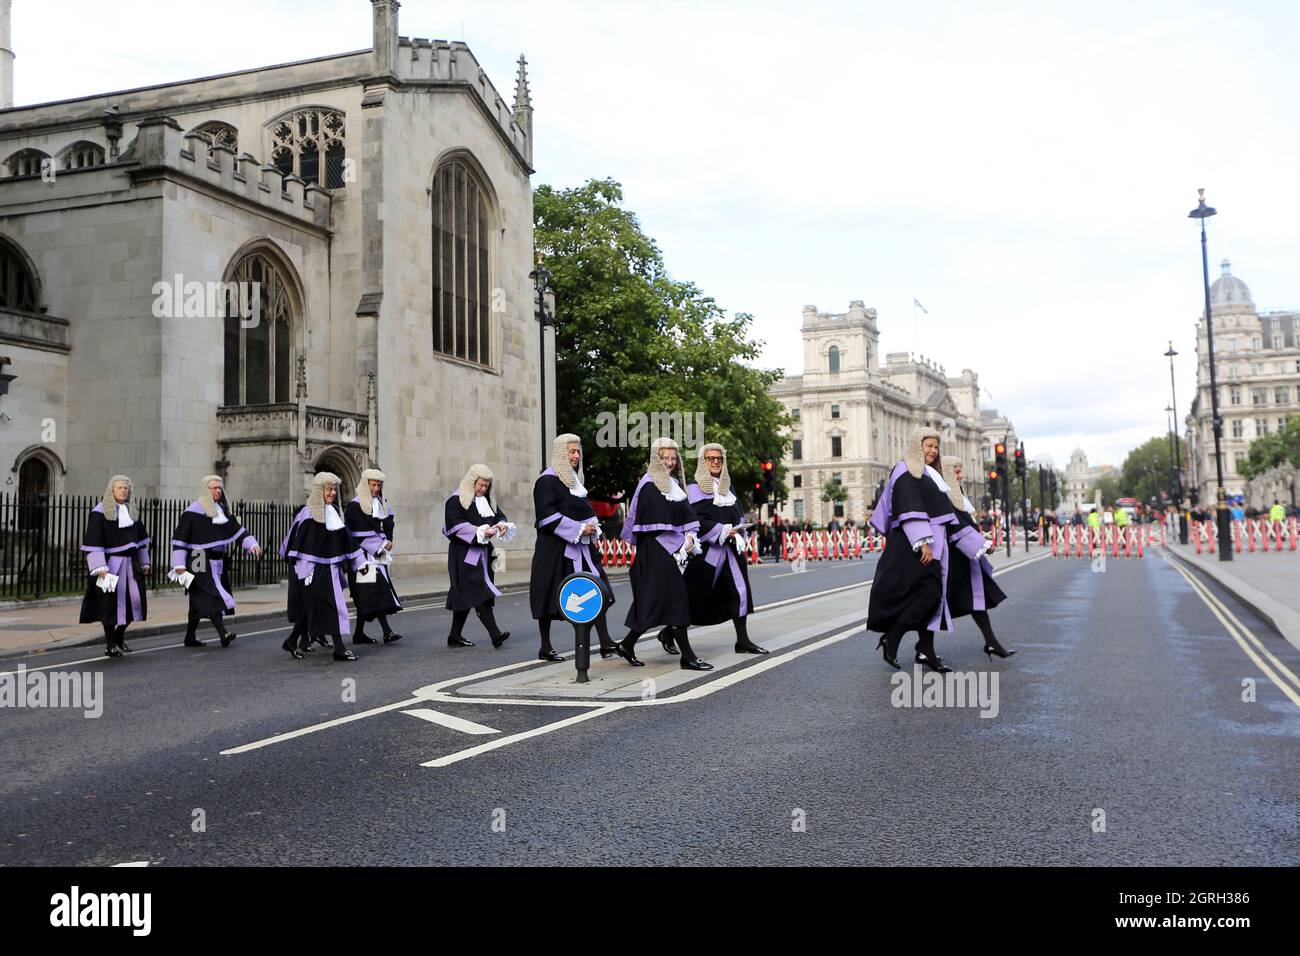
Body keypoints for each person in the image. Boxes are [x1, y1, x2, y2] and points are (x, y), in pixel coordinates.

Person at [613, 437, 709, 670]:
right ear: (655, 458)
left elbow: (687, 516)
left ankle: (627, 644)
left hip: (671, 551)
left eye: (673, 458)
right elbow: (653, 527)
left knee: (652, 600)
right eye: (664, 458)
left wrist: (690, 536)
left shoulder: (674, 483)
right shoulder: (649, 484)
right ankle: (687, 656)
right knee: (676, 599)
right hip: (655, 552)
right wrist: (680, 542)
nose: (669, 462)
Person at [867, 429, 958, 673]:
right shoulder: (906, 469)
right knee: (928, 595)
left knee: (930, 596)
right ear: (916, 446)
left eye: (936, 447)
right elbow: (908, 505)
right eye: (928, 445)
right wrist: (922, 541)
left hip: (932, 544)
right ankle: (892, 638)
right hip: (915, 546)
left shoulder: (928, 473)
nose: (933, 451)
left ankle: (926, 650)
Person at [530, 434, 617, 663]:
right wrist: (578, 529)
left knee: (595, 590)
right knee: (549, 594)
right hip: (554, 550)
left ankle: (606, 641)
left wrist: (592, 527)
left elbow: (585, 511)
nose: (576, 456)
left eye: (578, 451)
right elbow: (546, 516)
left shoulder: (576, 483)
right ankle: (545, 646)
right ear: (561, 453)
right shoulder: (546, 481)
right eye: (571, 452)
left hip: (583, 548)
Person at [682, 443, 768, 655]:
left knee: (738, 592)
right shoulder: (694, 488)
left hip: (730, 551)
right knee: (695, 595)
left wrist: (739, 528)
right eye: (710, 458)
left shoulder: (728, 487)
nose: (716, 462)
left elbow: (737, 514)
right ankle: (670, 630)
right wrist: (721, 530)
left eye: (719, 458)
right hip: (706, 554)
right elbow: (694, 520)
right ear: (703, 462)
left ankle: (742, 640)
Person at [170, 474, 262, 648]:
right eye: (214, 488)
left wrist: (252, 545)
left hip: (217, 561)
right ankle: (223, 633)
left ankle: (190, 636)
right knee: (210, 595)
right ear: (206, 490)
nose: (218, 490)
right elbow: (179, 541)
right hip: (198, 558)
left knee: (198, 599)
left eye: (220, 488)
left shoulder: (223, 511)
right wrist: (179, 565)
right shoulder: (192, 512)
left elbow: (239, 531)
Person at [285, 472, 365, 662]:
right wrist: (306, 572)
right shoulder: (307, 514)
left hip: (331, 569)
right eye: (329, 489)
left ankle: (291, 640)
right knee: (333, 607)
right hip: (315, 571)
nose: (332, 493)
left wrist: (360, 562)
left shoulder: (334, 512)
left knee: (312, 609)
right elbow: (302, 546)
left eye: (334, 489)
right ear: (319, 490)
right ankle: (339, 648)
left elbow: (346, 540)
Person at [940, 457, 1015, 660]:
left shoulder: (957, 494)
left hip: (967, 556)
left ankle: (991, 642)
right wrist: (981, 544)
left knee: (976, 600)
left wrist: (981, 540)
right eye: (956, 472)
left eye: (960, 471)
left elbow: (968, 524)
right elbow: (956, 526)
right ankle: (895, 639)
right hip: (954, 557)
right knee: (935, 603)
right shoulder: (944, 496)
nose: (960, 476)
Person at [443, 464, 515, 649]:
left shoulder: (487, 500)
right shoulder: (455, 500)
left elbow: (500, 515)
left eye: (486, 486)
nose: (483, 489)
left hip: (483, 554)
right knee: (479, 592)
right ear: (472, 482)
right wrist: (480, 531)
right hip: (464, 555)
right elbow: (452, 526)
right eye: (480, 485)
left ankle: (454, 635)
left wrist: (501, 525)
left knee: (467, 595)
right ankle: (495, 634)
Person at [79, 474, 151, 658]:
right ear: (112, 489)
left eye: (126, 488)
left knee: (136, 602)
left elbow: (141, 541)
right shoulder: (99, 511)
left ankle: (119, 635)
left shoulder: (133, 512)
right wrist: (99, 567)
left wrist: (144, 562)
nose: (123, 491)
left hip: (131, 565)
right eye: (120, 488)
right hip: (109, 565)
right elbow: (94, 540)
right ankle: (110, 644)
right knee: (109, 605)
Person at [343, 469, 403, 645]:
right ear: (365, 484)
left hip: (378, 556)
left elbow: (389, 523)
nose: (376, 488)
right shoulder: (355, 506)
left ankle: (359, 634)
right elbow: (356, 534)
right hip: (362, 558)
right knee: (375, 591)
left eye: (379, 485)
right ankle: (387, 632)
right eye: (373, 485)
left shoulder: (382, 503)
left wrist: (389, 540)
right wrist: (381, 544)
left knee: (369, 595)